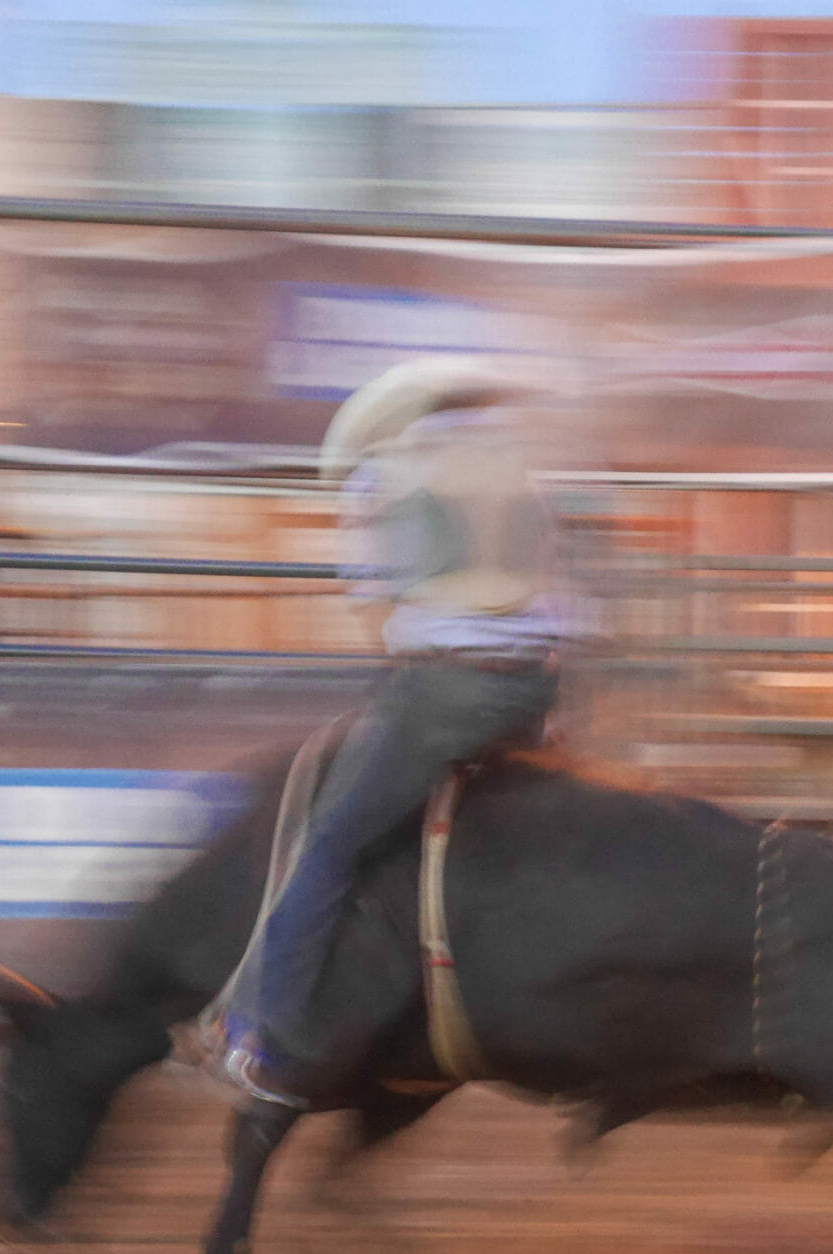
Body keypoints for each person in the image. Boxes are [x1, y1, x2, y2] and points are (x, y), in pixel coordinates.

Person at [209, 356, 596, 1106]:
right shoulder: (528, 476)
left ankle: (268, 1038)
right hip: (532, 687)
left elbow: (374, 604)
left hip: (443, 690)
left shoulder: (384, 477)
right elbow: (567, 603)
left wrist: (403, 681)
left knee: (328, 844)